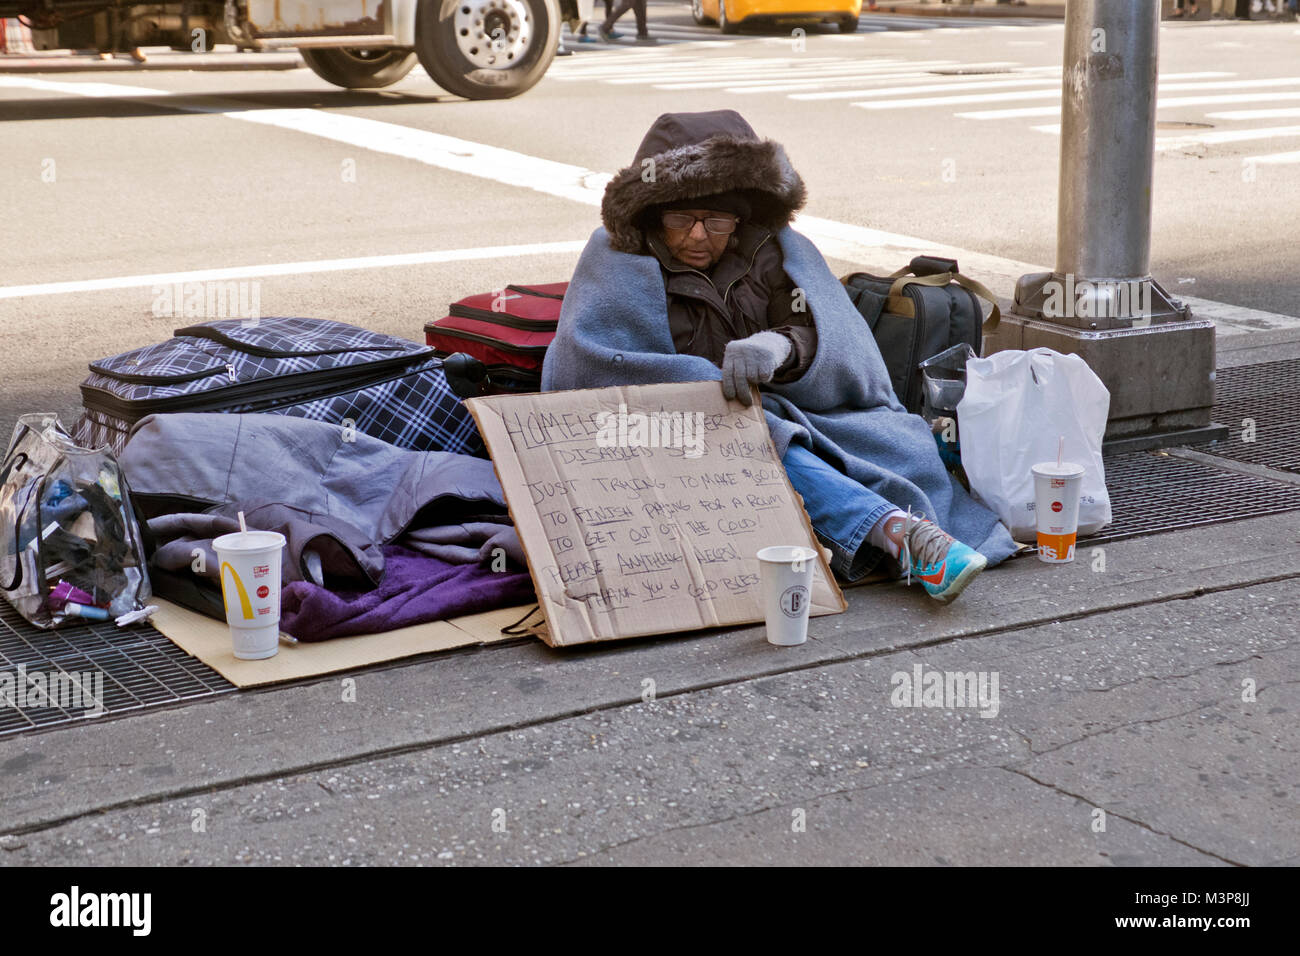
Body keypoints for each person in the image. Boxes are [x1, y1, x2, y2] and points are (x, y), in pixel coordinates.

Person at [542, 110, 1018, 604]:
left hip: (796, 409)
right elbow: (588, 366)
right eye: (681, 219)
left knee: (885, 442)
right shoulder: (616, 258)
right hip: (673, 434)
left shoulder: (776, 252)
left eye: (718, 220)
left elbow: (829, 336)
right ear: (650, 214)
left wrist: (782, 348)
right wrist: (700, 385)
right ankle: (898, 533)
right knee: (761, 437)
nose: (699, 236)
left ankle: (892, 530)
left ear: (743, 216)